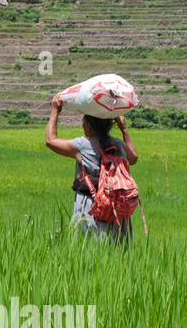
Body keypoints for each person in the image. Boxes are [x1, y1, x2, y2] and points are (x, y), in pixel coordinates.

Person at [44, 97, 139, 243]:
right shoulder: (118, 144)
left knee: (91, 250)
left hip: (92, 206)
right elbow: (133, 158)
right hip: (117, 207)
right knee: (118, 253)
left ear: (88, 126)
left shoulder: (83, 145)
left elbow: (50, 141)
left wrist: (55, 110)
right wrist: (124, 129)